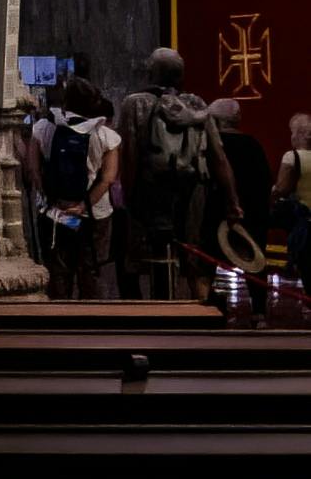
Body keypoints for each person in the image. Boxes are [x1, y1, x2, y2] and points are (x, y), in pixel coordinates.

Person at [113, 48, 238, 295]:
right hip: (192, 190)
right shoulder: (198, 105)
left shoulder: (135, 103)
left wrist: (127, 195)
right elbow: (219, 158)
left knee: (144, 257)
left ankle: (147, 315)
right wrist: (233, 200)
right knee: (188, 254)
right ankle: (189, 310)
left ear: (150, 72)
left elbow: (129, 155)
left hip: (149, 190)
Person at [23, 75, 118, 299]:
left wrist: (52, 199)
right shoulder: (106, 136)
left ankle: (59, 324)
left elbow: (33, 170)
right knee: (90, 271)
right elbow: (108, 179)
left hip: (53, 213)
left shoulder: (42, 128)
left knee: (58, 272)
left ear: (65, 101)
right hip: (95, 215)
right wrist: (83, 206)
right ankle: (91, 326)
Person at [213, 96, 276, 265]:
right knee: (255, 264)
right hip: (253, 213)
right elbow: (265, 181)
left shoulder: (213, 145)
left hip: (217, 212)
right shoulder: (253, 144)